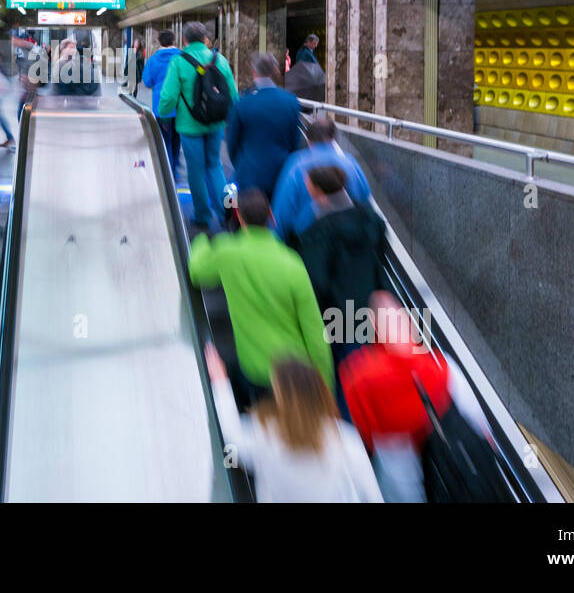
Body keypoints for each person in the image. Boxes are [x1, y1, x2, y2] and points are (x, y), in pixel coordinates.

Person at [338, 291, 491, 502]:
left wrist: (375, 446)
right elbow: (474, 414)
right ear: (408, 322)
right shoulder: (439, 364)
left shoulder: (357, 374)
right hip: (441, 442)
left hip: (394, 451)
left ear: (374, 324)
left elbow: (362, 424)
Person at [188, 188, 333, 401]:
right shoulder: (292, 261)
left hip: (256, 368)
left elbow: (197, 272)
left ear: (240, 218)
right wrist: (325, 383)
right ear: (271, 217)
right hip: (296, 372)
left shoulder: (227, 252)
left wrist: (201, 242)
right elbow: (314, 329)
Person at [205, 346, 383, 503]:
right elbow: (371, 493)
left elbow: (233, 438)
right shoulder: (344, 438)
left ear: (281, 397)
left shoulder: (264, 433)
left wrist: (220, 383)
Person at [293, 164, 387, 362]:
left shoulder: (319, 233)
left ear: (318, 192)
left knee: (347, 368)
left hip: (338, 313)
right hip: (371, 305)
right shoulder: (369, 217)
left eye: (308, 185)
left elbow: (316, 279)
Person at [157, 21, 238, 231]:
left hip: (189, 125)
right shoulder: (220, 59)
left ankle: (202, 215)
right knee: (215, 165)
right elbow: (233, 94)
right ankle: (226, 210)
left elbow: (168, 97)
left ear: (184, 40)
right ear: (205, 39)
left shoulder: (178, 61)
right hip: (216, 124)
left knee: (196, 169)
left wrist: (163, 115)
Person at [272, 114, 371, 242]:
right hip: (348, 237)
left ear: (308, 140)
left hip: (310, 239)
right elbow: (365, 198)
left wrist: (277, 240)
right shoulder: (350, 162)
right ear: (333, 139)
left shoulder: (296, 163)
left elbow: (282, 210)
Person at [226, 53, 304, 199]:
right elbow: (295, 140)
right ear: (275, 69)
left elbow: (232, 143)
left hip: (248, 172)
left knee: (233, 199)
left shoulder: (242, 103)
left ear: (253, 71)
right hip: (282, 171)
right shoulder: (291, 102)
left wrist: (241, 164)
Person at [142, 30, 181, 174]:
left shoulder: (153, 60)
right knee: (177, 139)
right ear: (174, 40)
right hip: (181, 107)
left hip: (161, 107)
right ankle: (175, 168)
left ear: (159, 42)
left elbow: (147, 81)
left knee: (166, 140)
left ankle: (167, 171)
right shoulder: (182, 57)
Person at [286, 33, 326, 102]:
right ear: (308, 42)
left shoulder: (307, 51)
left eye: (317, 44)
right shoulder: (304, 52)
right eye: (314, 43)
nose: (316, 46)